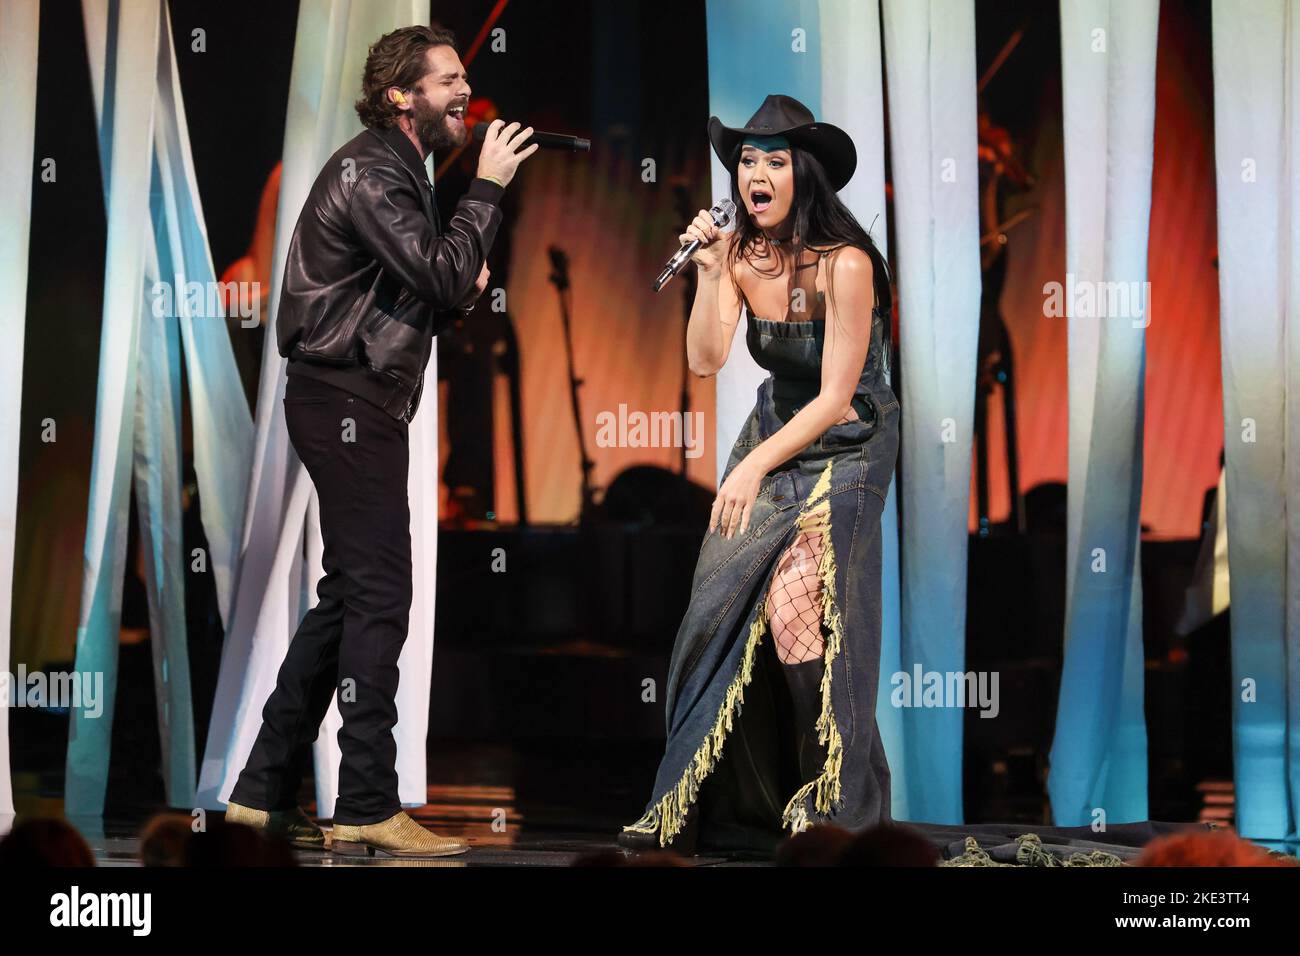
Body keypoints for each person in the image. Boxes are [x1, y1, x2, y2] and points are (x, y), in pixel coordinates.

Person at [225, 25, 537, 859]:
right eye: (448, 82)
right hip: (345, 398)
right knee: (380, 594)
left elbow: (425, 289)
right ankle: (365, 798)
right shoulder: (371, 169)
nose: (465, 95)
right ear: (402, 95)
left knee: (350, 595)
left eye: (466, 81)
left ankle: (259, 791)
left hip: (357, 397)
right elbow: (437, 274)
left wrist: (457, 277)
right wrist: (489, 191)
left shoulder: (401, 173)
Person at [620, 95, 899, 854]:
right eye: (748, 160)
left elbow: (838, 396)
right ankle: (757, 805)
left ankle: (837, 807)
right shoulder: (742, 254)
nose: (757, 174)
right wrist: (712, 272)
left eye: (775, 160)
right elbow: (705, 360)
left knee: (805, 609)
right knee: (728, 605)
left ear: (803, 174)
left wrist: (747, 469)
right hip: (776, 432)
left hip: (849, 442)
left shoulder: (846, 264)